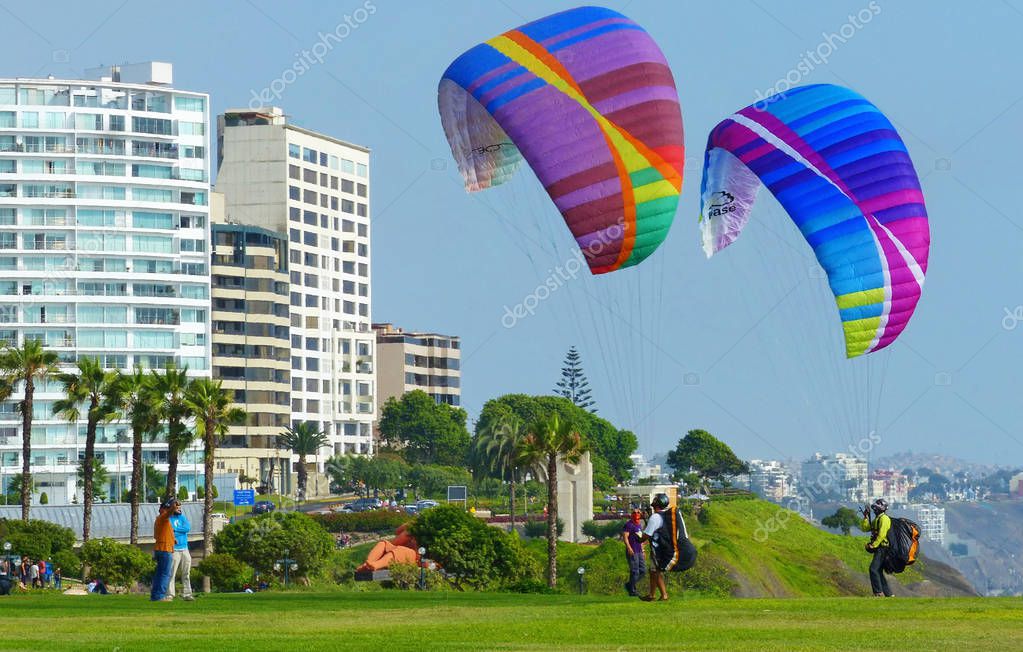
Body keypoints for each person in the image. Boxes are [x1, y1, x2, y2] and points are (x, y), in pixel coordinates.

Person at [639, 493, 671, 602]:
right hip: (664, 547)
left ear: (656, 503)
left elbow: (645, 536)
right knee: (654, 571)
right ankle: (656, 595)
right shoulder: (665, 516)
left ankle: (659, 595)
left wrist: (637, 537)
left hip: (658, 549)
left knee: (655, 571)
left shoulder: (655, 517)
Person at [860, 498, 893, 597]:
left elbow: (882, 535)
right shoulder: (878, 519)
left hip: (883, 549)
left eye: (876, 508)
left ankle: (878, 593)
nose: (875, 510)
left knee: (873, 569)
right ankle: (888, 594)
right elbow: (865, 528)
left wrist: (873, 545)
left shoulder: (884, 519)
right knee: (878, 571)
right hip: (880, 548)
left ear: (882, 508)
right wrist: (865, 517)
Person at [151, 497, 176, 601]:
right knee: (165, 574)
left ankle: (155, 596)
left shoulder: (160, 520)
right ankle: (160, 596)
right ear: (162, 509)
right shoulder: (163, 518)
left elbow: (162, 534)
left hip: (160, 548)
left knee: (159, 573)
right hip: (165, 550)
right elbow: (169, 512)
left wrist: (173, 540)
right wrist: (173, 505)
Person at [167, 500, 194, 601]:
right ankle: (170, 594)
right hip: (174, 550)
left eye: (180, 507)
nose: (179, 508)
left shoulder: (183, 517)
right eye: (177, 507)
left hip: (185, 549)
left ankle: (187, 594)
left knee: (186, 572)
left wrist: (175, 530)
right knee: (172, 573)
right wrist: (175, 531)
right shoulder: (168, 519)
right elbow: (169, 532)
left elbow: (187, 528)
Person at [622, 508, 646, 597]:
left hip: (639, 551)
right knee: (635, 571)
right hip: (632, 551)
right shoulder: (628, 525)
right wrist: (629, 548)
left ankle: (629, 585)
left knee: (643, 571)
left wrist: (643, 550)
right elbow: (625, 537)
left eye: (638, 512)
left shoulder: (639, 525)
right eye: (634, 512)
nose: (636, 514)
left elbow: (641, 539)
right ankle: (632, 590)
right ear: (631, 514)